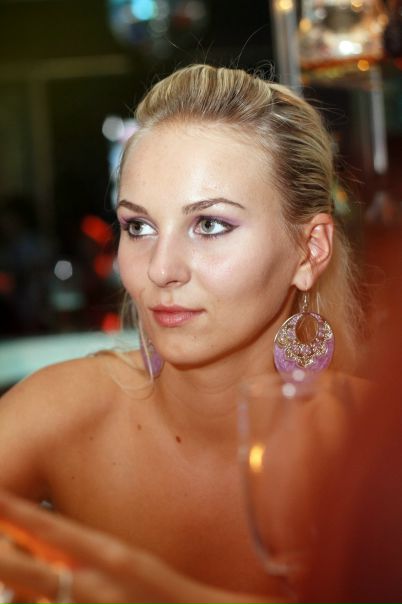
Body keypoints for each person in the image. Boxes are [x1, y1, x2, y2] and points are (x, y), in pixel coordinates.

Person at [0, 64, 363, 602]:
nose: (160, 268)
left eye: (210, 225)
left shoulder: (374, 444)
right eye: (139, 226)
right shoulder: (66, 409)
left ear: (309, 251)